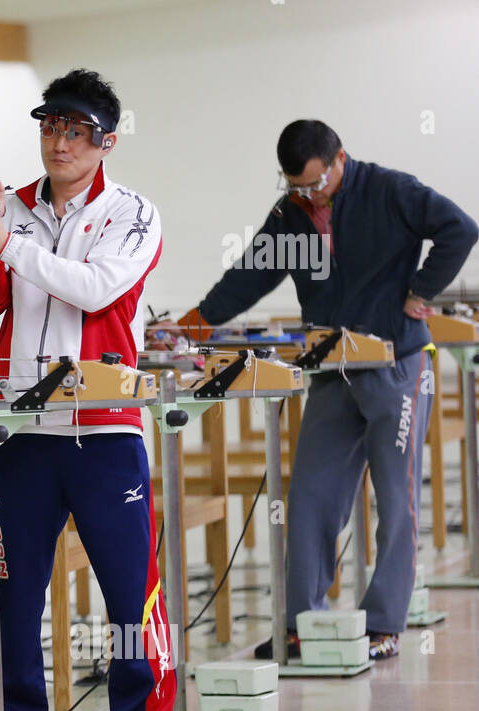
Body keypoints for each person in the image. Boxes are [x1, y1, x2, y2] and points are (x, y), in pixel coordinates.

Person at [177, 120, 478, 659]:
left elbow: (460, 227)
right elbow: (254, 271)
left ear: (340, 159)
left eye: (315, 184)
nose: (307, 196)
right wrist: (197, 322)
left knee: (397, 499)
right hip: (332, 370)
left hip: (397, 365)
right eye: (296, 186)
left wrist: (422, 291)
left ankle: (384, 624)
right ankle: (299, 624)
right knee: (310, 496)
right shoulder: (290, 212)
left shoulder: (389, 190)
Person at [0, 68, 174, 711]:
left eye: (76, 131)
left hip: (105, 431)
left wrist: (11, 243)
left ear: (106, 141)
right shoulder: (12, 206)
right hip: (21, 433)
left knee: (127, 592)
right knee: (12, 592)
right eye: (50, 126)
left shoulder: (134, 212)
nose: (59, 142)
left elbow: (95, 288)